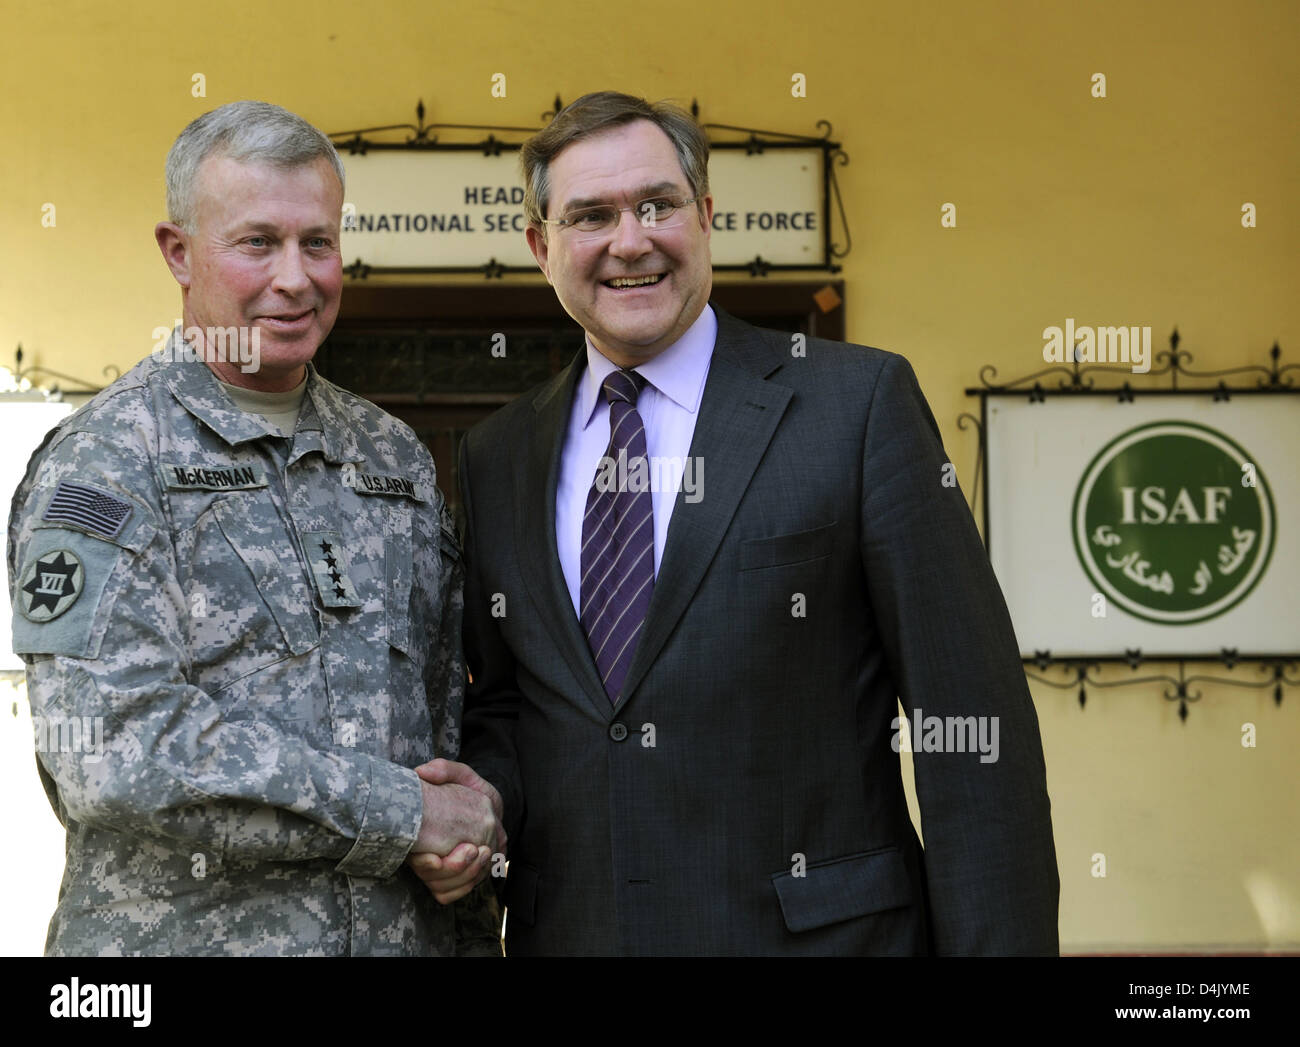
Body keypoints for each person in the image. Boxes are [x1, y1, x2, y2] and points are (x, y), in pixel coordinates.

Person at [421, 90, 1060, 955]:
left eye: (658, 204)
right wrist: (480, 810)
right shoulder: (498, 458)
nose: (630, 240)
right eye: (590, 215)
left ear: (706, 216)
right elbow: (507, 707)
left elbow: (969, 723)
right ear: (541, 246)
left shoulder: (856, 405)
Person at [7, 100, 503, 956]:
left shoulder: (391, 456)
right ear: (179, 252)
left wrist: (471, 832)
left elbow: (443, 717)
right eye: (257, 242)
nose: (296, 276)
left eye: (318, 241)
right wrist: (404, 813)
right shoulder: (105, 464)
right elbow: (111, 748)